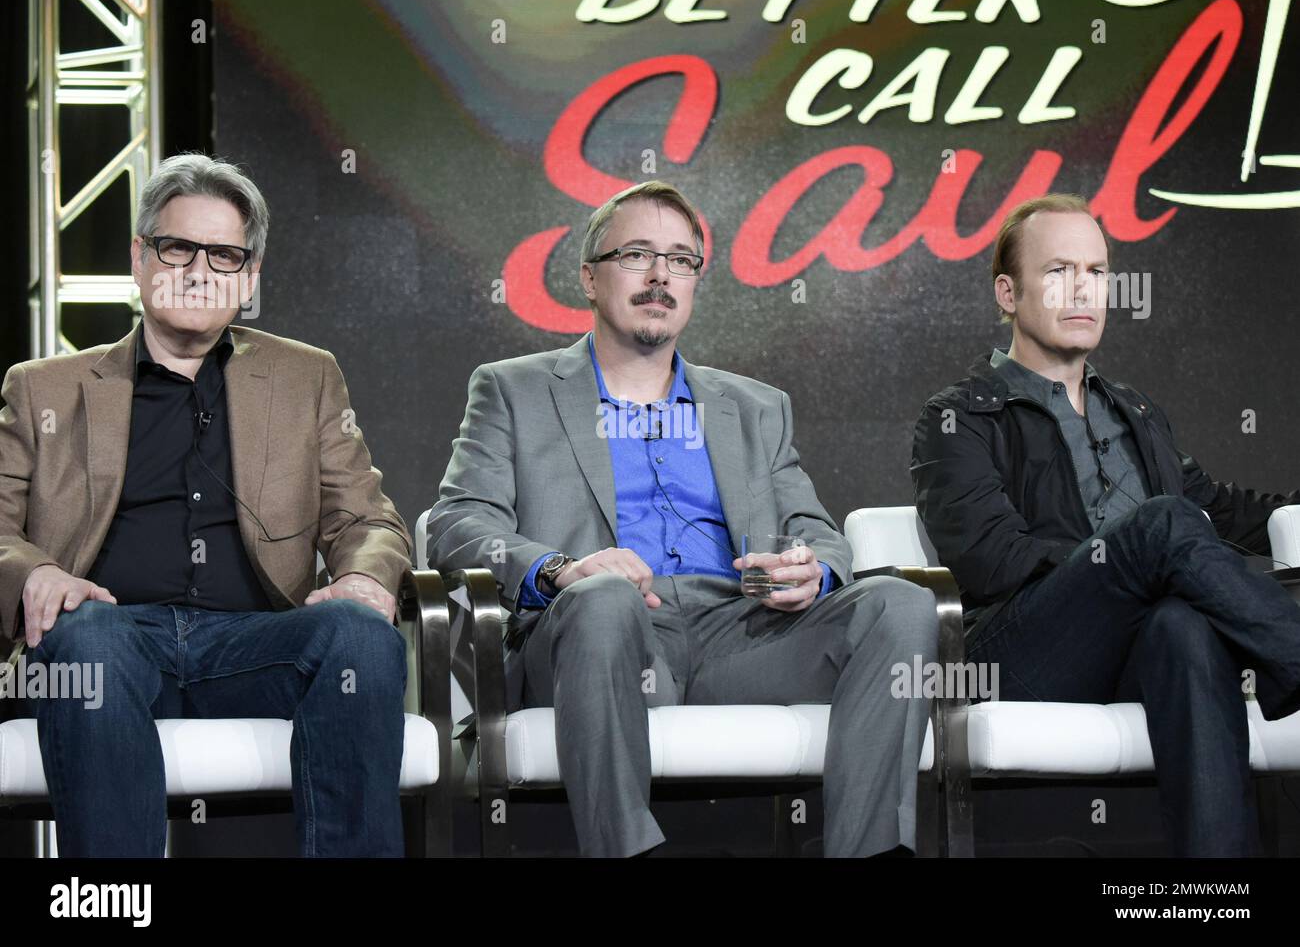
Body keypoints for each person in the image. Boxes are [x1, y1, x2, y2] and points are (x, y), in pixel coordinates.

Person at [429, 180, 938, 857]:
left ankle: (870, 853)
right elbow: (458, 522)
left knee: (899, 605)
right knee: (605, 599)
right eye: (637, 255)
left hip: (742, 634)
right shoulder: (514, 389)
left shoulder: (756, 407)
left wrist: (813, 572)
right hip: (601, 636)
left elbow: (818, 532)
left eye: (680, 260)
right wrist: (561, 570)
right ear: (589, 276)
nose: (660, 276)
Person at [0, 154, 412, 856]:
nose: (198, 271)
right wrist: (34, 572)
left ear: (249, 277)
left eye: (224, 255)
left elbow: (366, 519)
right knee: (89, 638)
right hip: (110, 638)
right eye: (177, 248)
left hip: (253, 645)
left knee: (359, 636)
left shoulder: (305, 375)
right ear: (139, 257)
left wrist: (366, 575)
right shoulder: (44, 388)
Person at [911, 192, 1300, 856]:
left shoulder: (1136, 412)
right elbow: (989, 559)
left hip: (1139, 647)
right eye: (1059, 271)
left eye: (1096, 272)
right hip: (1020, 653)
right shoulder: (959, 418)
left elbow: (1228, 512)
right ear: (1008, 292)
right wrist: (1125, 559)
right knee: (1162, 530)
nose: (1083, 289)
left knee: (1180, 624)